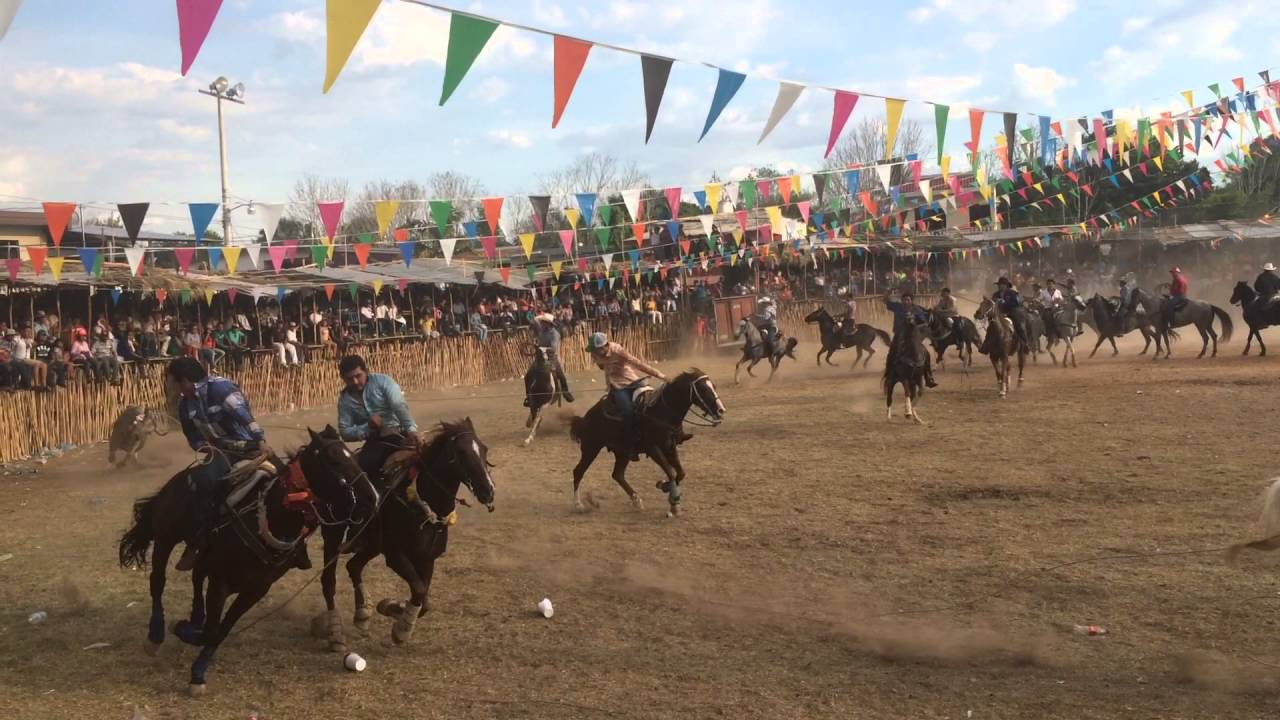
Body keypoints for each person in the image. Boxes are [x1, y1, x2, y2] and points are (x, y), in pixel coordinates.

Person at [168, 357, 273, 572]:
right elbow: (191, 436)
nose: (171, 386)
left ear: (184, 381)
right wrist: (204, 446)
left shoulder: (219, 387)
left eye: (173, 381)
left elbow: (244, 416)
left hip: (249, 446)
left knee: (285, 479)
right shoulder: (185, 404)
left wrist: (260, 440)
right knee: (201, 481)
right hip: (221, 452)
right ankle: (197, 541)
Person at [586, 331, 668, 461]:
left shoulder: (618, 350)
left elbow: (638, 364)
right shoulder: (595, 354)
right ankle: (630, 445)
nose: (594, 353)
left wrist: (660, 376)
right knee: (627, 411)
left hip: (632, 381)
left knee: (651, 402)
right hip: (617, 387)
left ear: (603, 346)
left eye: (596, 350)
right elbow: (601, 365)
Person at [337, 354, 417, 481]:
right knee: (363, 470)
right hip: (375, 442)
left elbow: (399, 406)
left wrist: (412, 430)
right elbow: (345, 433)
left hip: (400, 433)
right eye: (350, 379)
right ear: (343, 379)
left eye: (358, 376)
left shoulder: (383, 381)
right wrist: (367, 427)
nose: (355, 382)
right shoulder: (345, 401)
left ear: (366, 371)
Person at [883, 291, 937, 388]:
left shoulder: (916, 310)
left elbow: (925, 323)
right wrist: (888, 293)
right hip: (899, 335)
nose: (905, 302)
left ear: (911, 301)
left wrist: (914, 322)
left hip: (913, 335)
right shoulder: (897, 307)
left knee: (925, 352)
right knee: (892, 352)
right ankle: (889, 374)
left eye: (908, 300)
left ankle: (928, 377)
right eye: (904, 300)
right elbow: (885, 301)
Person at [530, 313, 574, 403]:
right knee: (528, 375)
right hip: (540, 357)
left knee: (560, 375)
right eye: (541, 322)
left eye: (543, 322)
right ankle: (529, 396)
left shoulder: (555, 334)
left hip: (551, 358)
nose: (541, 323)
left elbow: (553, 348)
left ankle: (565, 392)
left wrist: (542, 348)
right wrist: (536, 344)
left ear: (548, 323)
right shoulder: (542, 331)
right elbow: (534, 322)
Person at [993, 277, 1029, 349]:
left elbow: (1015, 303)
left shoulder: (1012, 293)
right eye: (999, 284)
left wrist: (1005, 303)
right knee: (991, 324)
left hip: (1011, 312)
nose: (1000, 286)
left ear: (1006, 285)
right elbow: (992, 302)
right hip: (999, 313)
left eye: (1002, 284)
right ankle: (987, 343)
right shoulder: (995, 294)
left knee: (1019, 325)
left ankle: (1025, 343)